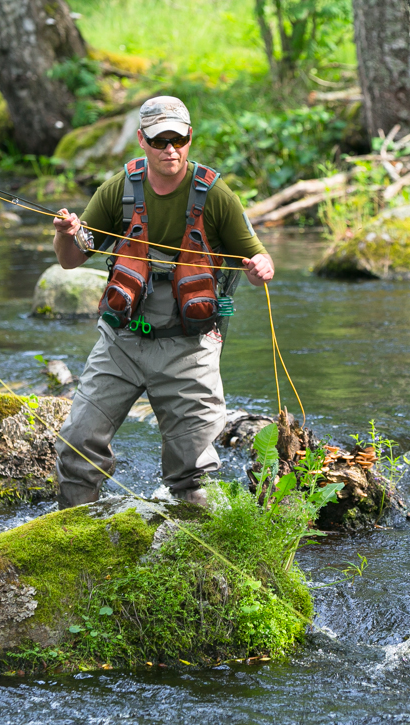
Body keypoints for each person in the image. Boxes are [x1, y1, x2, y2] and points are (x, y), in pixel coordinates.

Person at [50, 96, 275, 509]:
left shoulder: (217, 194)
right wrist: (67, 233)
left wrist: (261, 267)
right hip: (122, 343)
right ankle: (74, 546)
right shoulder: (118, 189)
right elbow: (70, 260)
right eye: (159, 140)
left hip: (190, 348)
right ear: (141, 140)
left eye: (179, 138)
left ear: (190, 137)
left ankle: (192, 562)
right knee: (77, 448)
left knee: (195, 480)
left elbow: (258, 260)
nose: (170, 148)